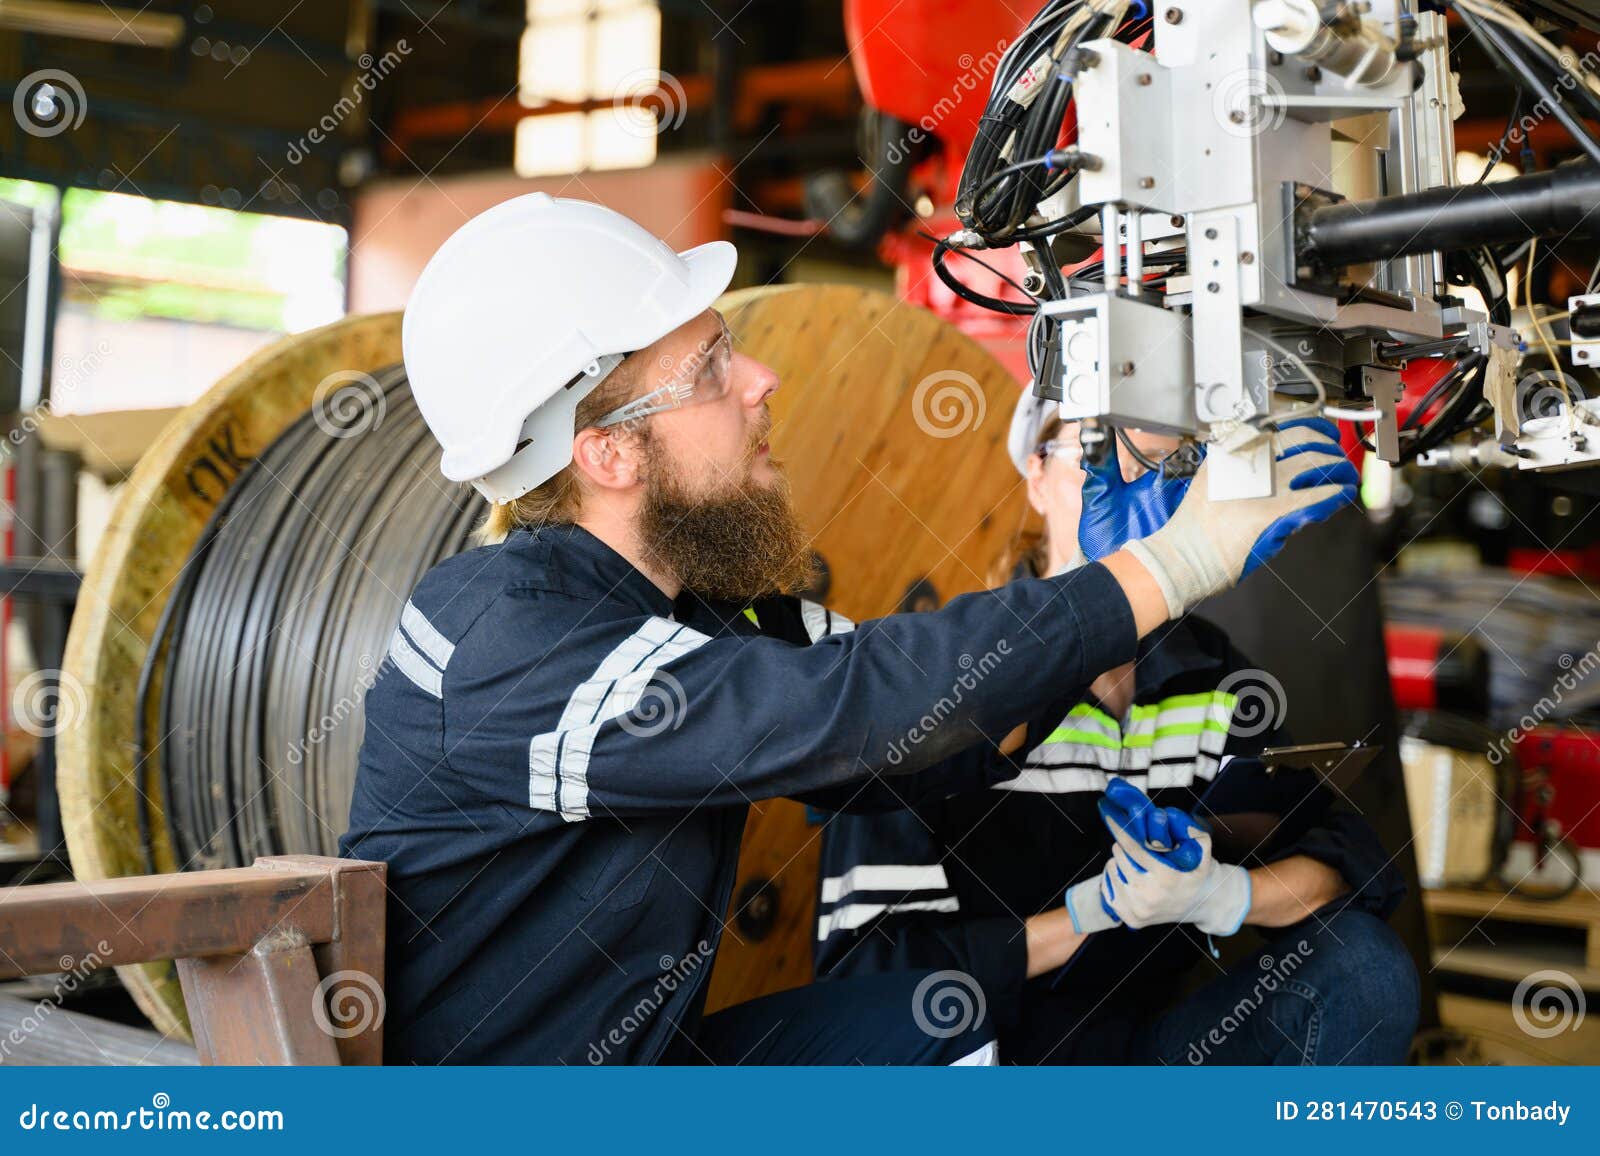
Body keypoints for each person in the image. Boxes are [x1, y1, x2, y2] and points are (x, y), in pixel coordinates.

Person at [338, 192, 1358, 1065]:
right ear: (608, 454)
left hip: (653, 1074)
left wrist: (1109, 597)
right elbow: (853, 705)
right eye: (709, 370)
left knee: (950, 1032)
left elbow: (920, 749)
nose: (761, 381)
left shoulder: (693, 617)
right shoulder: (506, 638)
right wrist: (1165, 565)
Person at [813, 393, 1420, 1064]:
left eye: (1164, 465)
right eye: (1100, 456)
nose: (1133, 492)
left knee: (1364, 968)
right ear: (1037, 479)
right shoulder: (948, 673)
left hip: (1150, 1057)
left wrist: (1224, 894)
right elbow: (866, 970)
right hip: (985, 1060)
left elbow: (1347, 862)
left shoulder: (1209, 676)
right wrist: (1088, 916)